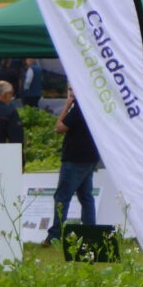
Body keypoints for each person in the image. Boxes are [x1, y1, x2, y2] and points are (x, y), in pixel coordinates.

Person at [43, 87, 101, 245]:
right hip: (90, 157)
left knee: (62, 197)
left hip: (75, 158)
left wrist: (66, 107)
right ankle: (91, 232)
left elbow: (59, 128)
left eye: (72, 89)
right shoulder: (94, 106)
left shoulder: (79, 109)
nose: (70, 93)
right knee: (86, 197)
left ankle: (55, 235)